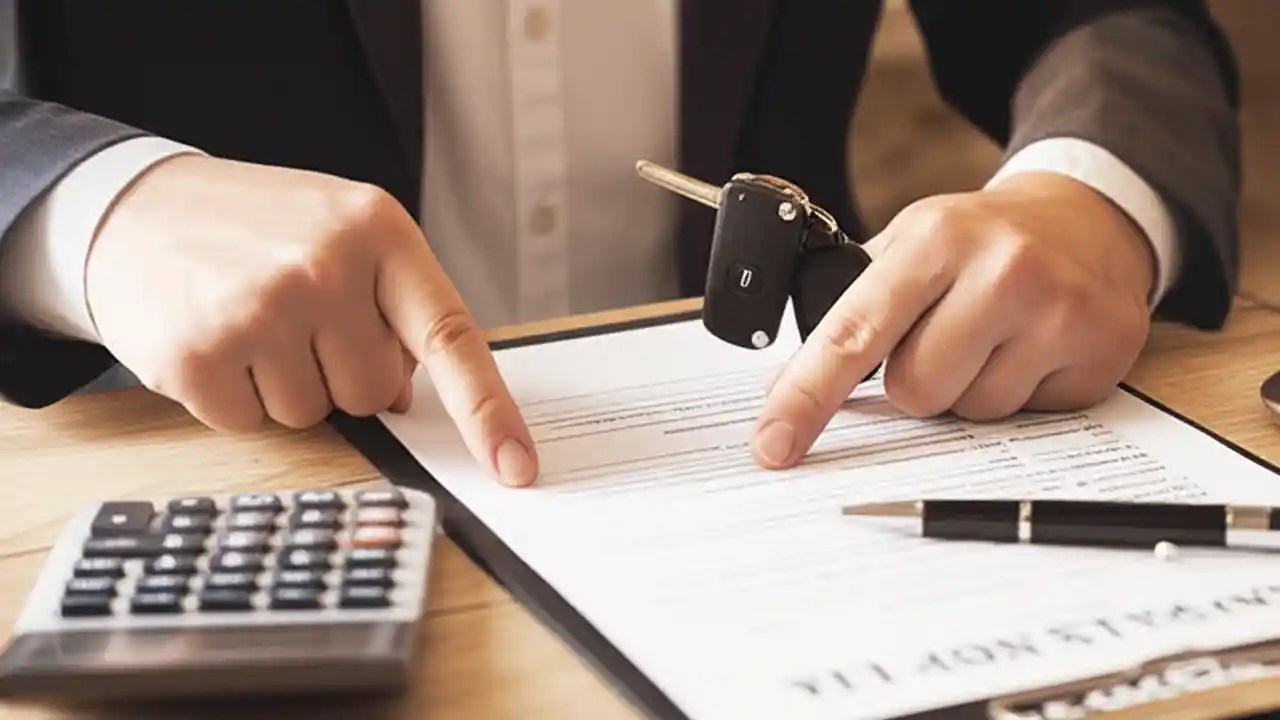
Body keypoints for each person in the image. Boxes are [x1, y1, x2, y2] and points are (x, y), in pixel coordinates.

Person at [0, 1, 1240, 487]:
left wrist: (1088, 195)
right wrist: (95, 208)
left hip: (810, 468)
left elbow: (1103, 20)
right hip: (220, 473)